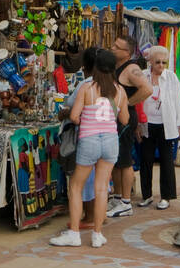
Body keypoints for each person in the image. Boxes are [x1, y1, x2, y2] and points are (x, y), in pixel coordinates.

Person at [50, 49, 129, 248]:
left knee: (76, 186)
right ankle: (97, 234)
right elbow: (125, 119)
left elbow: (75, 116)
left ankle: (74, 233)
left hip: (89, 141)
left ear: (94, 67)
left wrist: (85, 115)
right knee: (102, 188)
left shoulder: (88, 88)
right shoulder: (120, 91)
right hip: (111, 142)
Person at [138, 47, 180, 207]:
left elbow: (178, 100)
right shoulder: (143, 76)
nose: (161, 65)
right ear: (151, 62)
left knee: (166, 161)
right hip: (147, 124)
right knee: (146, 160)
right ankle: (147, 195)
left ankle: (166, 196)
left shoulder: (171, 77)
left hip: (167, 124)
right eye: (157, 62)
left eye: (164, 62)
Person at [108, 36, 152, 218]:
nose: (111, 48)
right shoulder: (117, 67)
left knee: (125, 160)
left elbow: (147, 89)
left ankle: (126, 202)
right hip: (118, 118)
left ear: (127, 52)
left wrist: (125, 105)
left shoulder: (132, 68)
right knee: (117, 159)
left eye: (116, 47)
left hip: (126, 119)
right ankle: (118, 197)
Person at [59, 47, 98, 225]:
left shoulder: (87, 84)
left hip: (87, 135)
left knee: (80, 182)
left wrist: (65, 114)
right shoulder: (109, 83)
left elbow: (74, 112)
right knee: (98, 179)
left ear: (85, 65)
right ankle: (96, 218)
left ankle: (86, 219)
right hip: (105, 136)